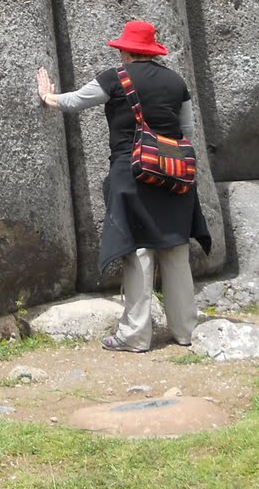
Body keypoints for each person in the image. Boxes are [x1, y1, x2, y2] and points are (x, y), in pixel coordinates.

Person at [36, 19, 210, 352]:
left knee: (139, 251)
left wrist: (47, 96)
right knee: (175, 251)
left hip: (132, 173)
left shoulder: (116, 78)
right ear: (152, 51)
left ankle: (135, 336)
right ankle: (186, 331)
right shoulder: (177, 81)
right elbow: (186, 130)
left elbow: (75, 102)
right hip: (174, 174)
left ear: (128, 51)